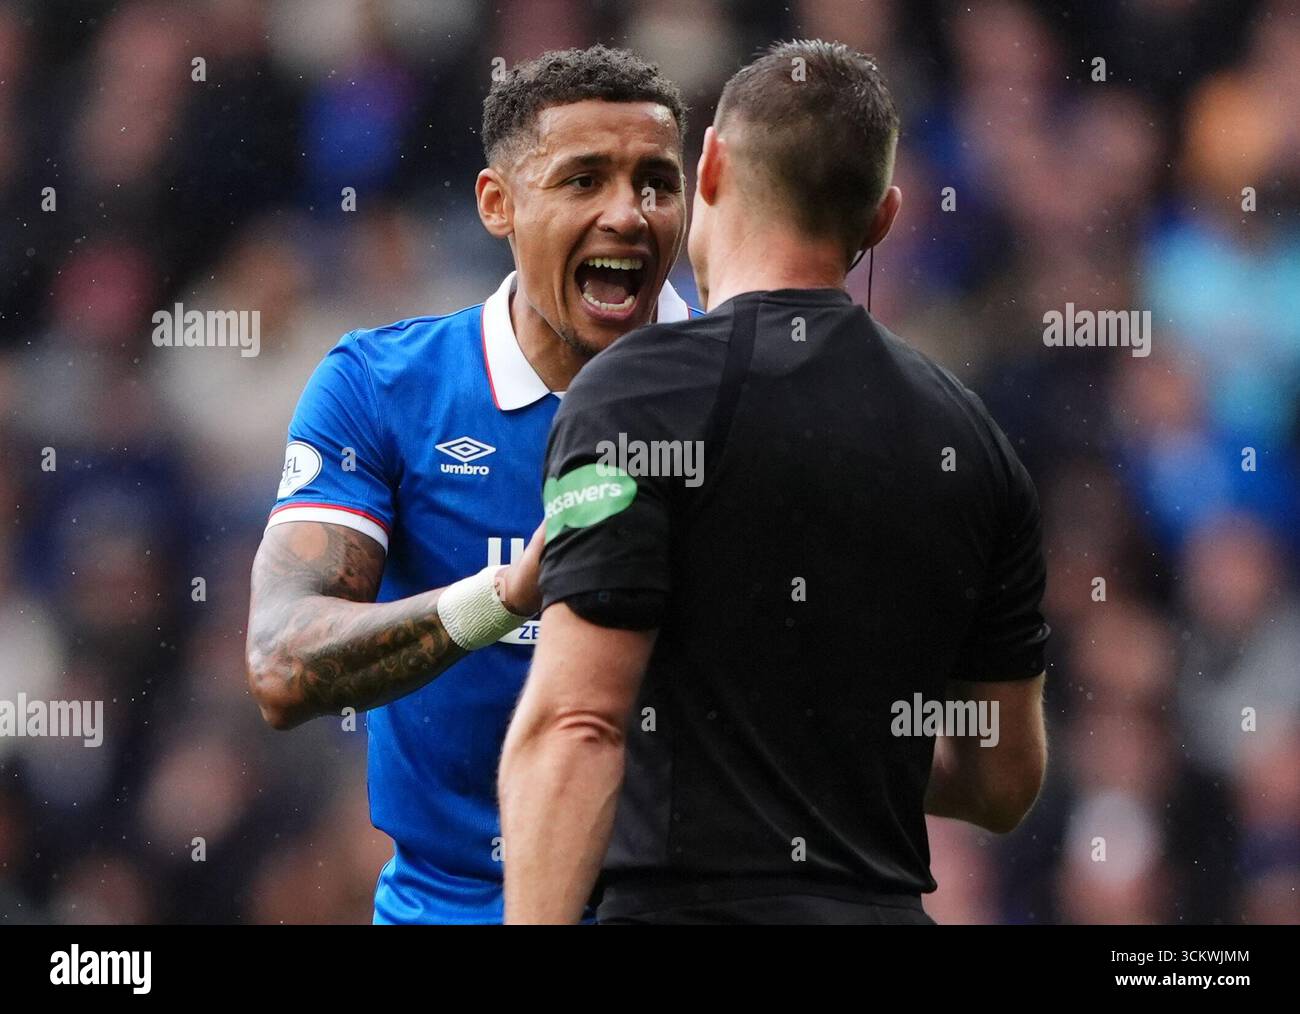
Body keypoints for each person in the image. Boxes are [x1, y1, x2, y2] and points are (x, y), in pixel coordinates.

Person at [498, 39, 1050, 925]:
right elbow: (1003, 780)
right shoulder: (975, 442)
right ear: (883, 218)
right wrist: (845, 747)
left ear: (708, 161)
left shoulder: (637, 395)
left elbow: (577, 726)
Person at [243, 45, 691, 924]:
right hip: (450, 905)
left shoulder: (745, 394)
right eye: (583, 179)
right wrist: (505, 595)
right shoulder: (384, 387)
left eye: (654, 181)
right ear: (498, 205)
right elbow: (280, 666)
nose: (627, 214)